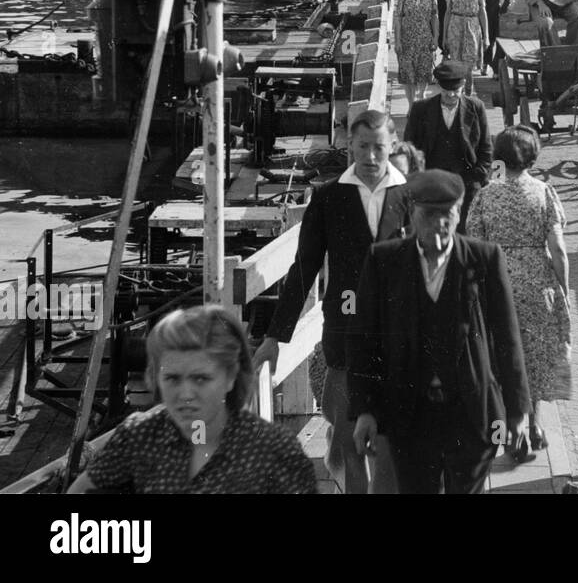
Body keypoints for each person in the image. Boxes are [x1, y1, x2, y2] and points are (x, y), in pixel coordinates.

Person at [254, 109, 409, 494]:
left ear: (392, 147)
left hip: (397, 332)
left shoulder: (411, 195)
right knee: (345, 431)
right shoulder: (329, 198)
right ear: (349, 146)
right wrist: (276, 335)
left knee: (391, 439)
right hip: (346, 331)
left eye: (379, 148)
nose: (371, 157)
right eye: (362, 147)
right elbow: (304, 267)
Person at [349, 170, 531, 494]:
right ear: (412, 213)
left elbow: (507, 337)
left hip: (471, 413)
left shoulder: (484, 259)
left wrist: (518, 411)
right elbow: (364, 340)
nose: (439, 224)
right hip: (410, 415)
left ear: (459, 213)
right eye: (429, 215)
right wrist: (364, 410)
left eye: (447, 215)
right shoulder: (383, 261)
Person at [70, 304, 316, 493]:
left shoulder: (276, 452)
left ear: (229, 378)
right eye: (172, 379)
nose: (185, 395)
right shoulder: (137, 436)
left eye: (201, 379)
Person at [465, 126, 571, 450]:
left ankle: (511, 431)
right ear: (532, 155)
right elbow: (558, 247)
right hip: (537, 282)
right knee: (535, 356)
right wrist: (563, 289)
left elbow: (472, 244)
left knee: (502, 355)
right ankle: (536, 426)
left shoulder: (485, 195)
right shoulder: (544, 192)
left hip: (495, 284)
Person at [404, 60, 492, 219]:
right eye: (445, 91)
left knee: (466, 233)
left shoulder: (476, 107)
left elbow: (486, 148)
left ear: (464, 84)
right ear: (437, 86)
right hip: (431, 185)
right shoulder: (420, 109)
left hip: (467, 185)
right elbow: (408, 148)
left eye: (455, 90)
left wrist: (477, 178)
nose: (451, 95)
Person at [393, 0, 439, 108]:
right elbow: (398, 21)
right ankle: (412, 105)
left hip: (425, 40)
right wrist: (397, 41)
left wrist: (436, 38)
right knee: (408, 75)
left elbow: (434, 18)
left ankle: (422, 96)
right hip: (407, 41)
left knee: (424, 72)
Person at [443, 0, 489, 92]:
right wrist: (444, 36)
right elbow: (447, 12)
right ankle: (458, 93)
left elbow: (482, 11)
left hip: (472, 27)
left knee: (469, 64)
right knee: (456, 63)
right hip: (455, 26)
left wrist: (486, 36)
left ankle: (468, 92)